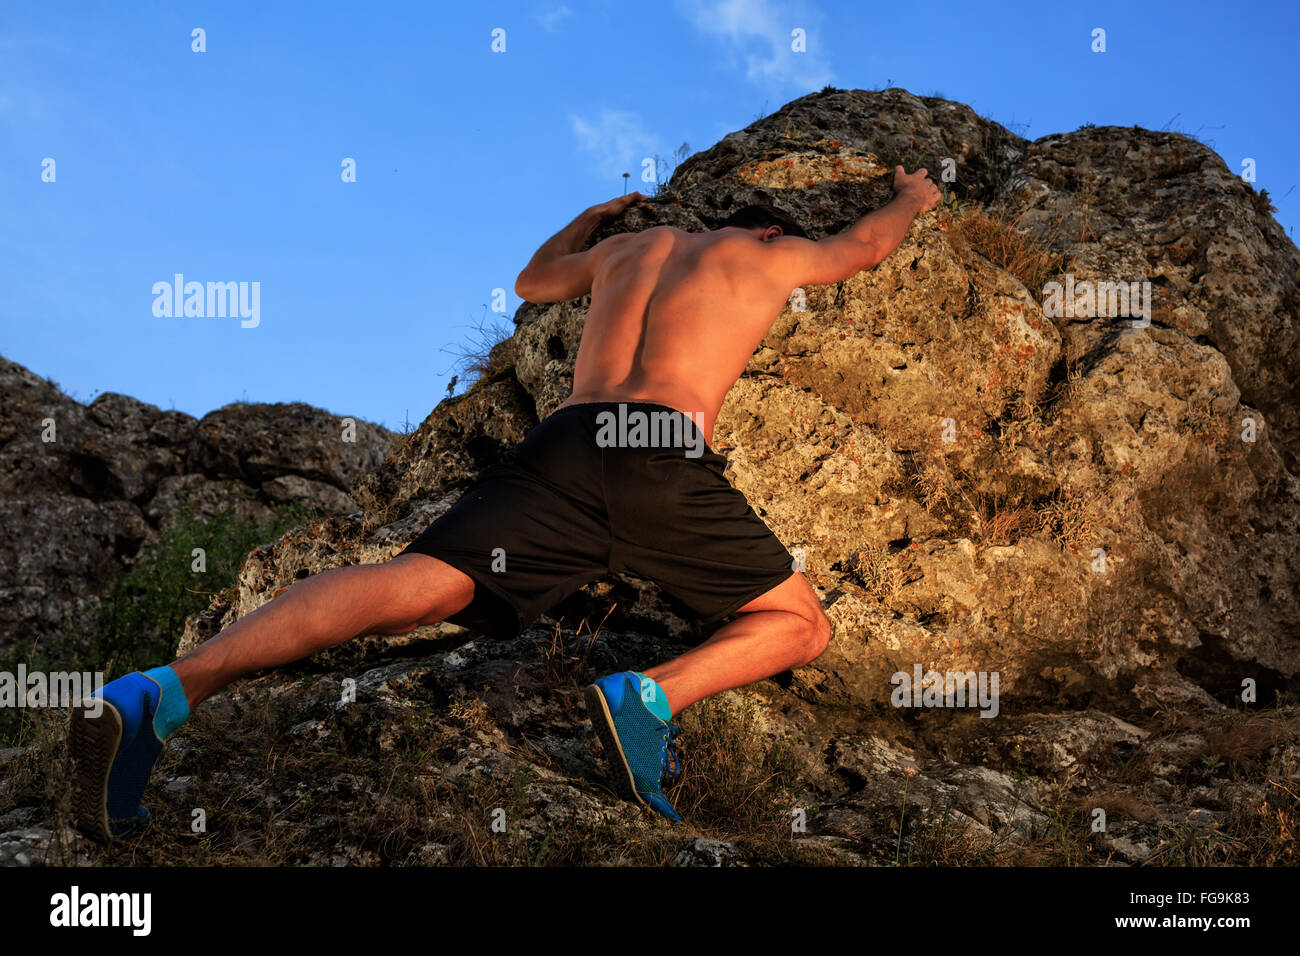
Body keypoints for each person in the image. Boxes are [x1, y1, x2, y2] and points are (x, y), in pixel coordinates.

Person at [70, 167, 942, 837]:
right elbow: (862, 246)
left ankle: (162, 690)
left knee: (418, 582)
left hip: (562, 443)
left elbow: (531, 281)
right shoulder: (764, 250)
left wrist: (589, 219)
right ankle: (648, 699)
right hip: (658, 448)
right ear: (763, 227)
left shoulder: (625, 253)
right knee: (800, 624)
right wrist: (909, 196)